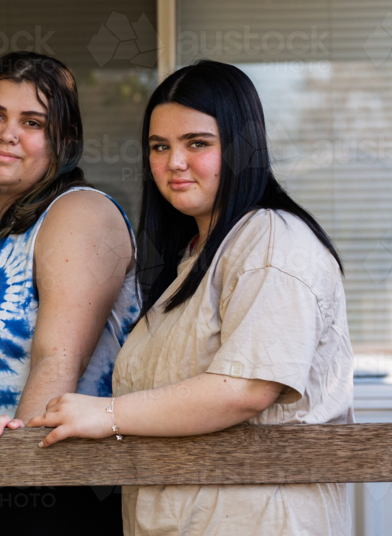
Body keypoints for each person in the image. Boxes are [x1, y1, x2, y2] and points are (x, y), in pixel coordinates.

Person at [29, 60, 354, 536]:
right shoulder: (190, 258)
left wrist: (106, 414)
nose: (173, 163)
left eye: (197, 143)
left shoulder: (271, 240)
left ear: (241, 148)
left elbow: (246, 388)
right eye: (160, 147)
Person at [0, 51, 141, 532]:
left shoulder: (79, 212)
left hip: (48, 486)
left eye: (33, 122)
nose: (8, 134)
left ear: (64, 139)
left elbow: (58, 362)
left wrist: (15, 477)